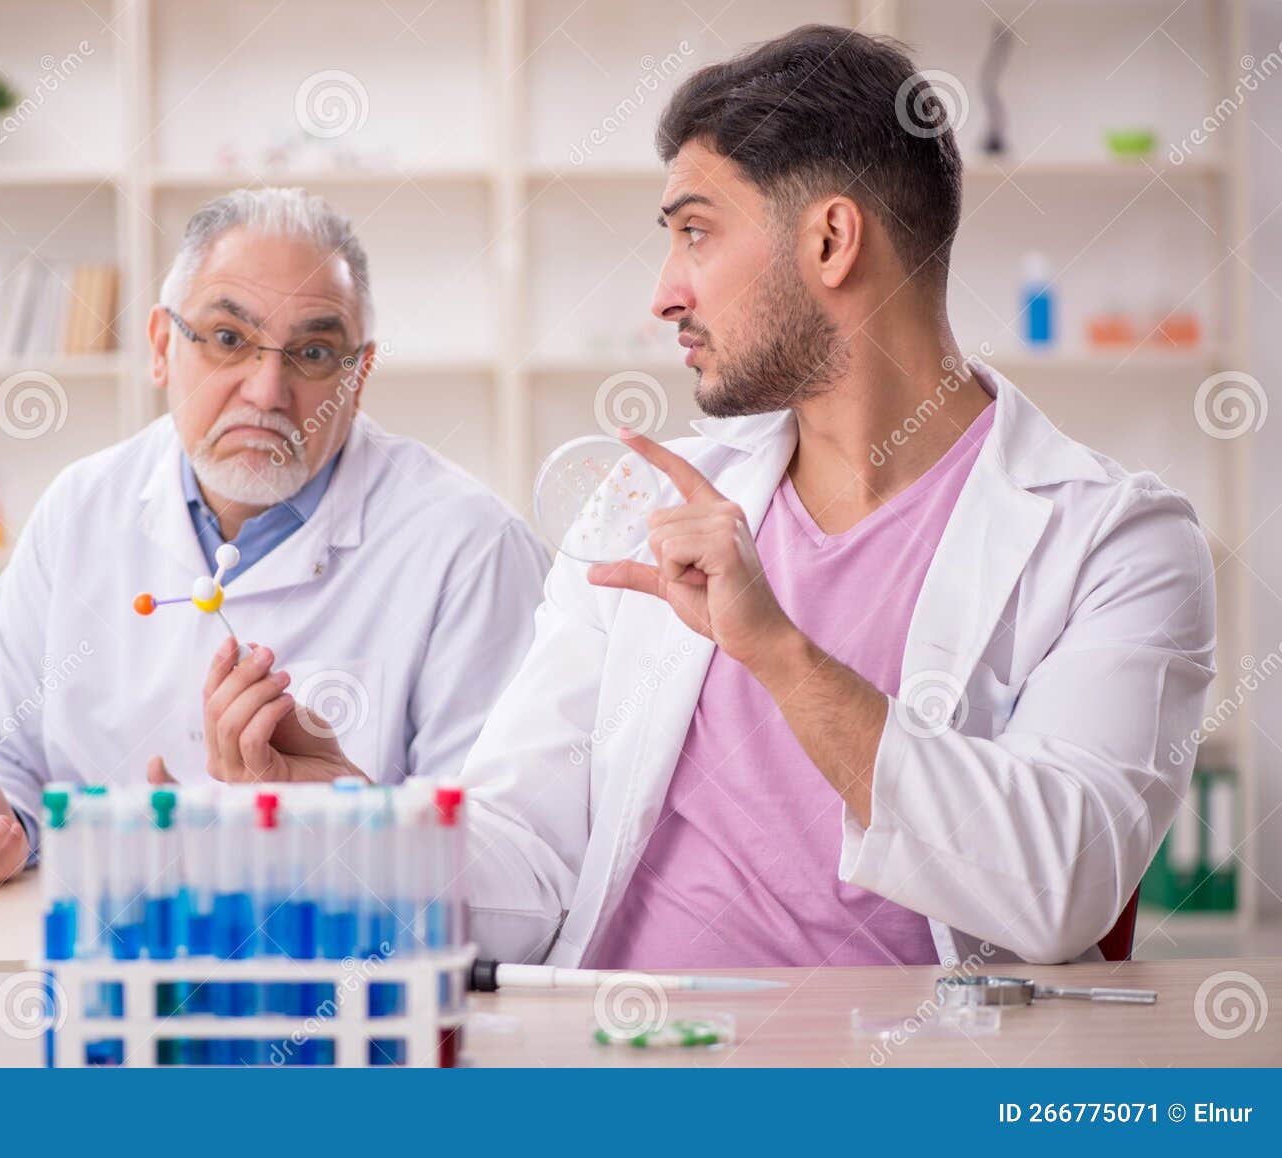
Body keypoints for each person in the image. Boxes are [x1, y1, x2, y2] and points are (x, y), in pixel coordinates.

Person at [459, 26, 1216, 969]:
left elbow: (1062, 890)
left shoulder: (1116, 541)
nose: (664, 293)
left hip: (899, 1084)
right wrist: (352, 839)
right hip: (619, 1057)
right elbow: (524, 853)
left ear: (830, 239)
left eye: (695, 231)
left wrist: (777, 652)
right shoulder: (648, 498)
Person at [0, 188, 547, 885]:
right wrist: (1, 818)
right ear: (161, 347)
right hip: (113, 950)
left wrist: (352, 815)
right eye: (229, 339)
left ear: (358, 378)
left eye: (315, 352)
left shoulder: (471, 547)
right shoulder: (81, 509)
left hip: (342, 971)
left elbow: (511, 861)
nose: (266, 390)